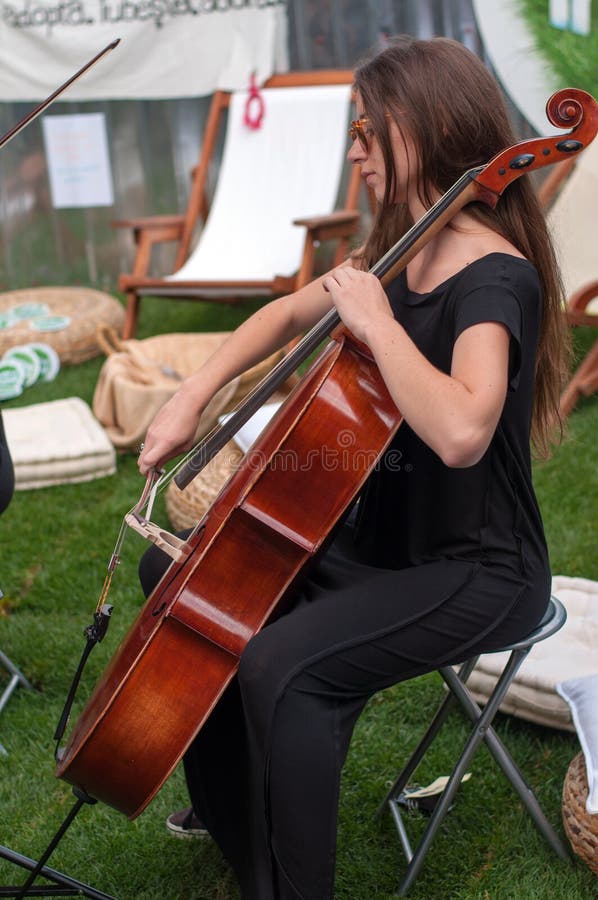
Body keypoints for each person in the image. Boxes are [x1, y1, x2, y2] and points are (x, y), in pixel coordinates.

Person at [137, 35, 570, 900]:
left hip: (477, 568)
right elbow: (281, 318)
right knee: (181, 577)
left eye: (369, 129)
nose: (355, 150)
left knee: (283, 665)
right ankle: (241, 831)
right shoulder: (399, 251)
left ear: (427, 127)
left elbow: (463, 430)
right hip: (376, 548)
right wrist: (193, 395)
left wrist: (376, 324)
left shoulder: (496, 279)